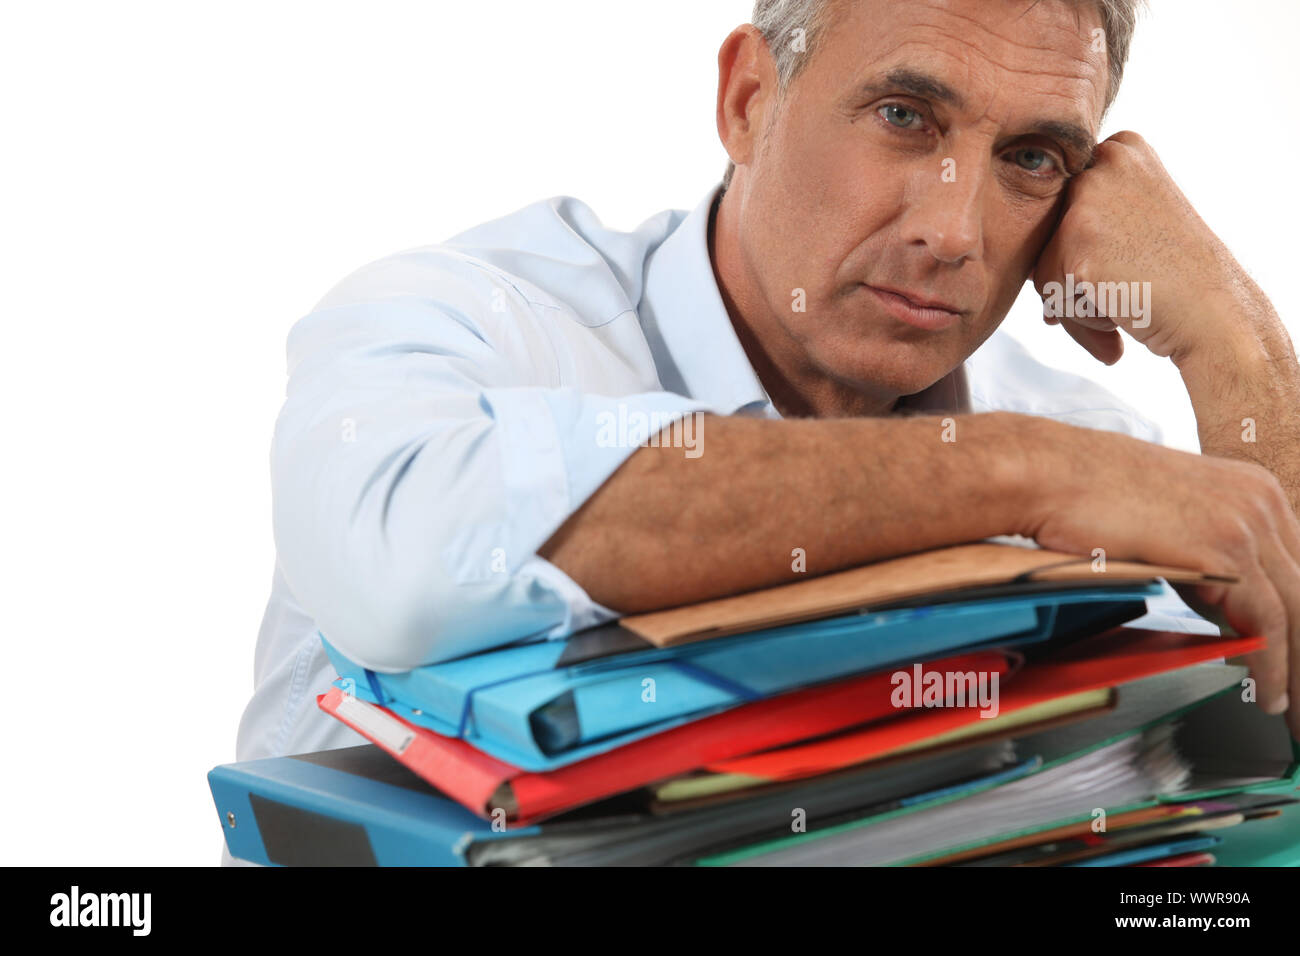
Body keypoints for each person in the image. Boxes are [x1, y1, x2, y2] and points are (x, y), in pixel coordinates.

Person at [235, 0, 1300, 782]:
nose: (955, 231)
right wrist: (1010, 470)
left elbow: (1255, 757)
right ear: (748, 101)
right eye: (903, 116)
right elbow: (406, 561)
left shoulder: (1088, 443)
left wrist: (1238, 348)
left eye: (1029, 157)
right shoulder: (466, 323)